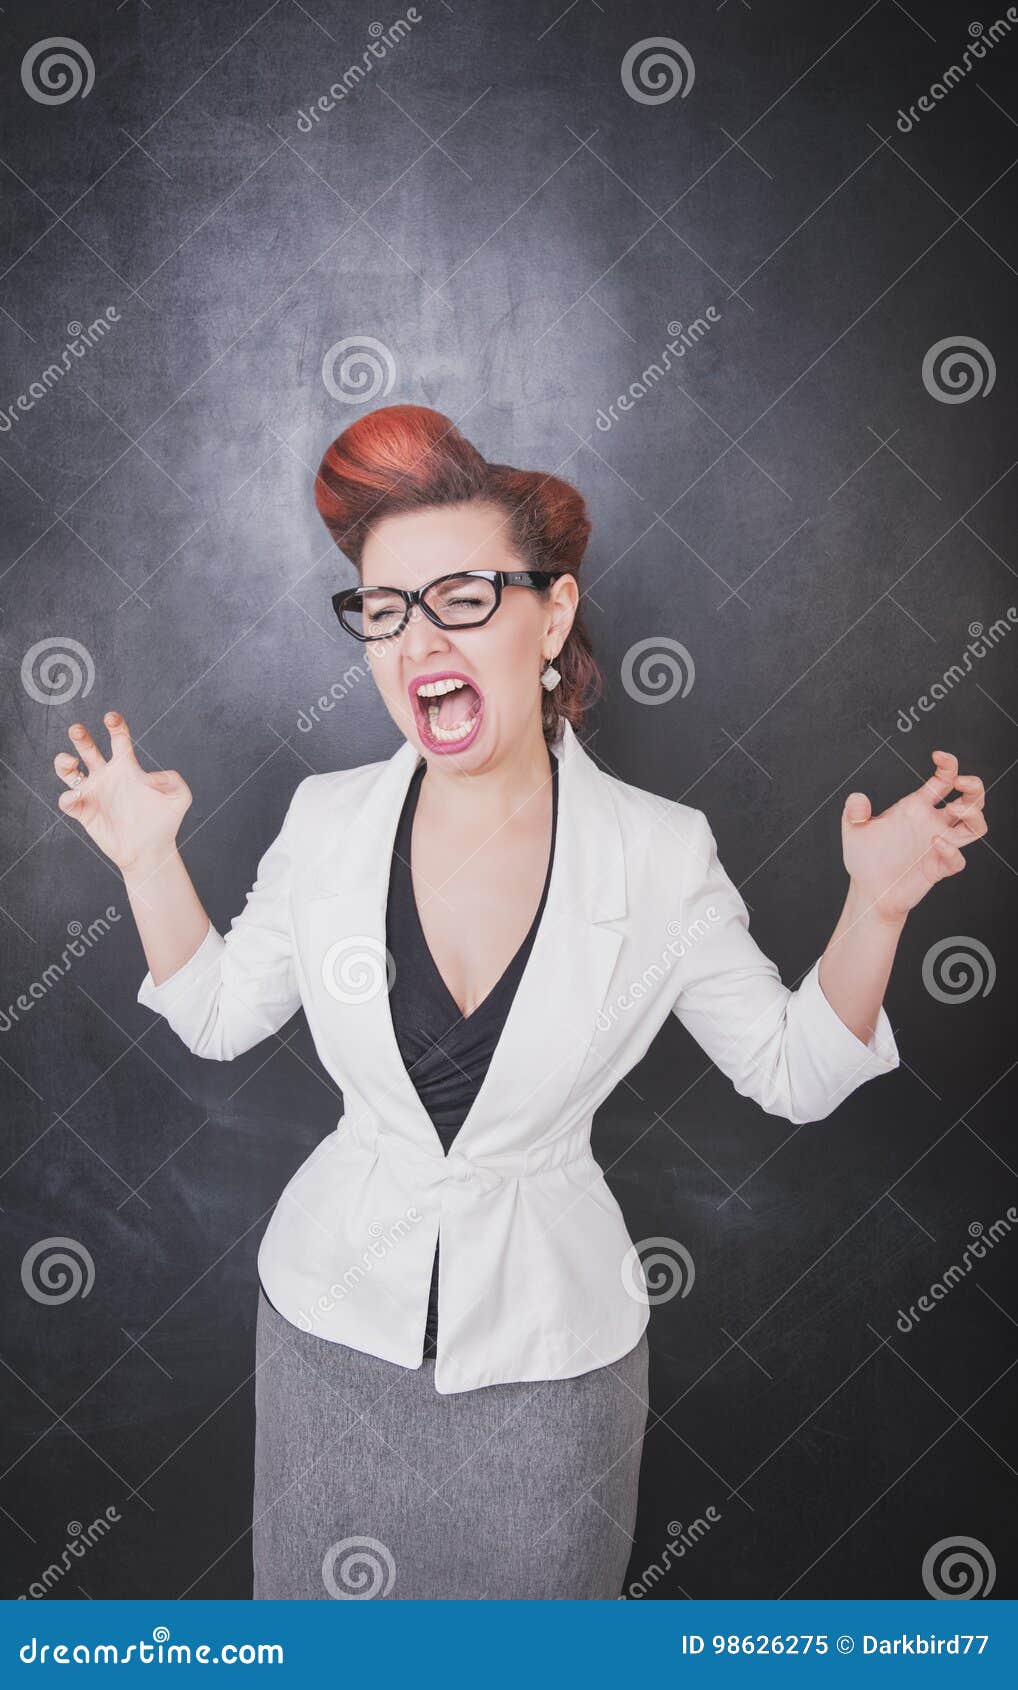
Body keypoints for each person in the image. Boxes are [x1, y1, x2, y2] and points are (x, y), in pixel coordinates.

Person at [53, 404, 988, 1600]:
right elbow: (220, 1013)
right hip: (328, 1343)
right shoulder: (327, 821)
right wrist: (144, 860)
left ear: (550, 615)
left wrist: (878, 907)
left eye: (462, 596)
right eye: (383, 609)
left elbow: (792, 1070)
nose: (414, 638)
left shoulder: (658, 854)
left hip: (554, 1377)